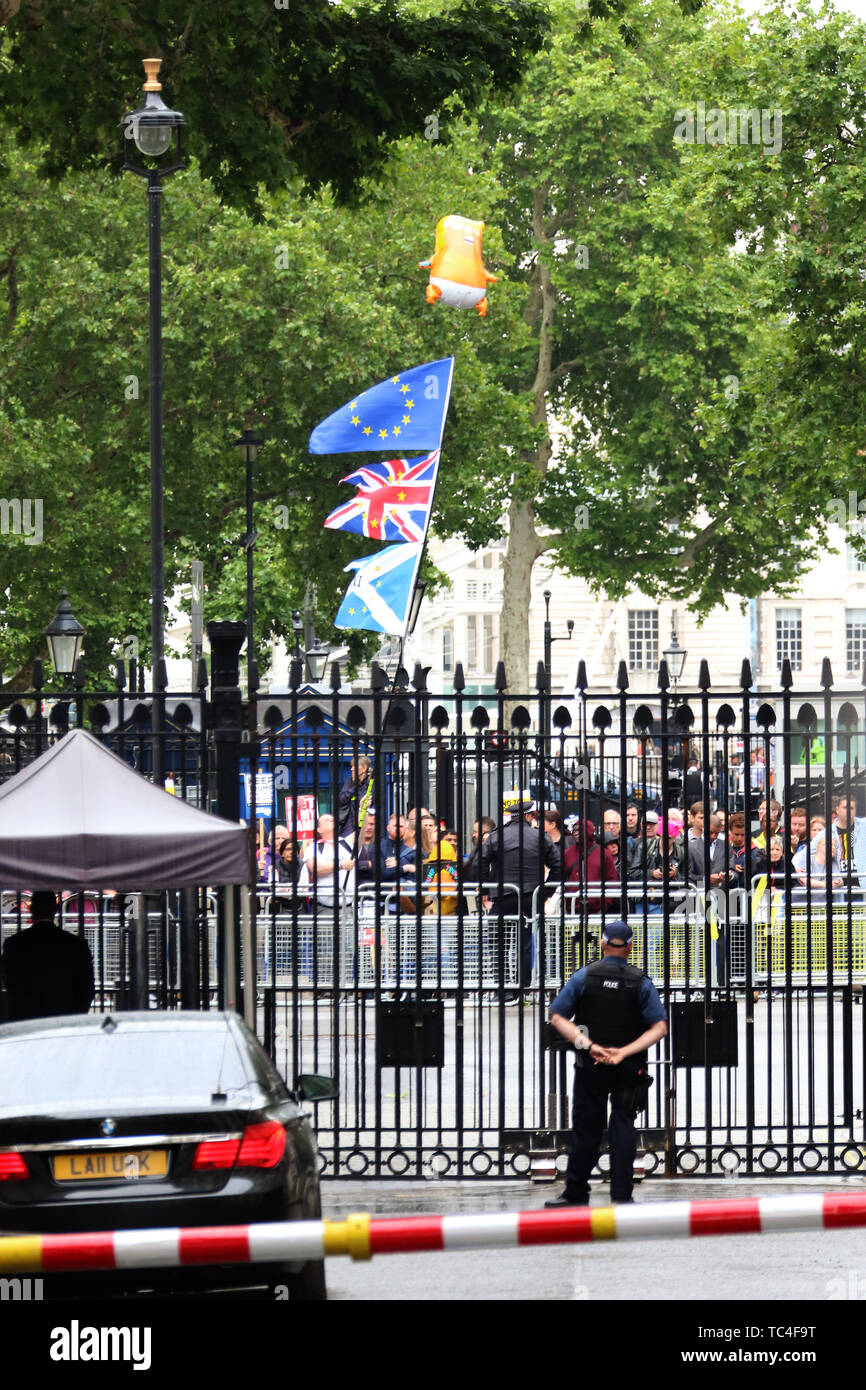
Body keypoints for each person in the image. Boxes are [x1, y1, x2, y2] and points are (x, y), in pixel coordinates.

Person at [545, 919, 667, 1207]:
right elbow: (659, 1027)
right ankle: (621, 1196)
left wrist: (589, 1046)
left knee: (586, 1127)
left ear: (602, 944)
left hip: (591, 1064)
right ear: (631, 947)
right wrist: (624, 1052)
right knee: (623, 1125)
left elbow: (557, 1017)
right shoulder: (641, 982)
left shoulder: (583, 978)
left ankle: (575, 1193)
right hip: (628, 1066)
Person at [478, 798, 561, 988]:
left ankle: (503, 986)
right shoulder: (540, 837)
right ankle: (524, 984)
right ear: (529, 816)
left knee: (499, 942)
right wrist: (545, 892)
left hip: (503, 897)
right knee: (527, 942)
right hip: (531, 897)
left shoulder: (496, 836)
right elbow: (558, 867)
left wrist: (485, 889)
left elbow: (481, 863)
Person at [1, 890, 94, 1021]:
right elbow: (87, 989)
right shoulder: (76, 944)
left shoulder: (13, 944)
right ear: (56, 909)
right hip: (64, 1018)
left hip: (25, 1020)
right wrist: (74, 1018)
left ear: (31, 909)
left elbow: (8, 983)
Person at [337, 754, 373, 838]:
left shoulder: (371, 784)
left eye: (355, 766)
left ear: (364, 769)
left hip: (365, 825)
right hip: (348, 827)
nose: (351, 769)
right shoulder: (350, 782)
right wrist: (354, 787)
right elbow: (341, 799)